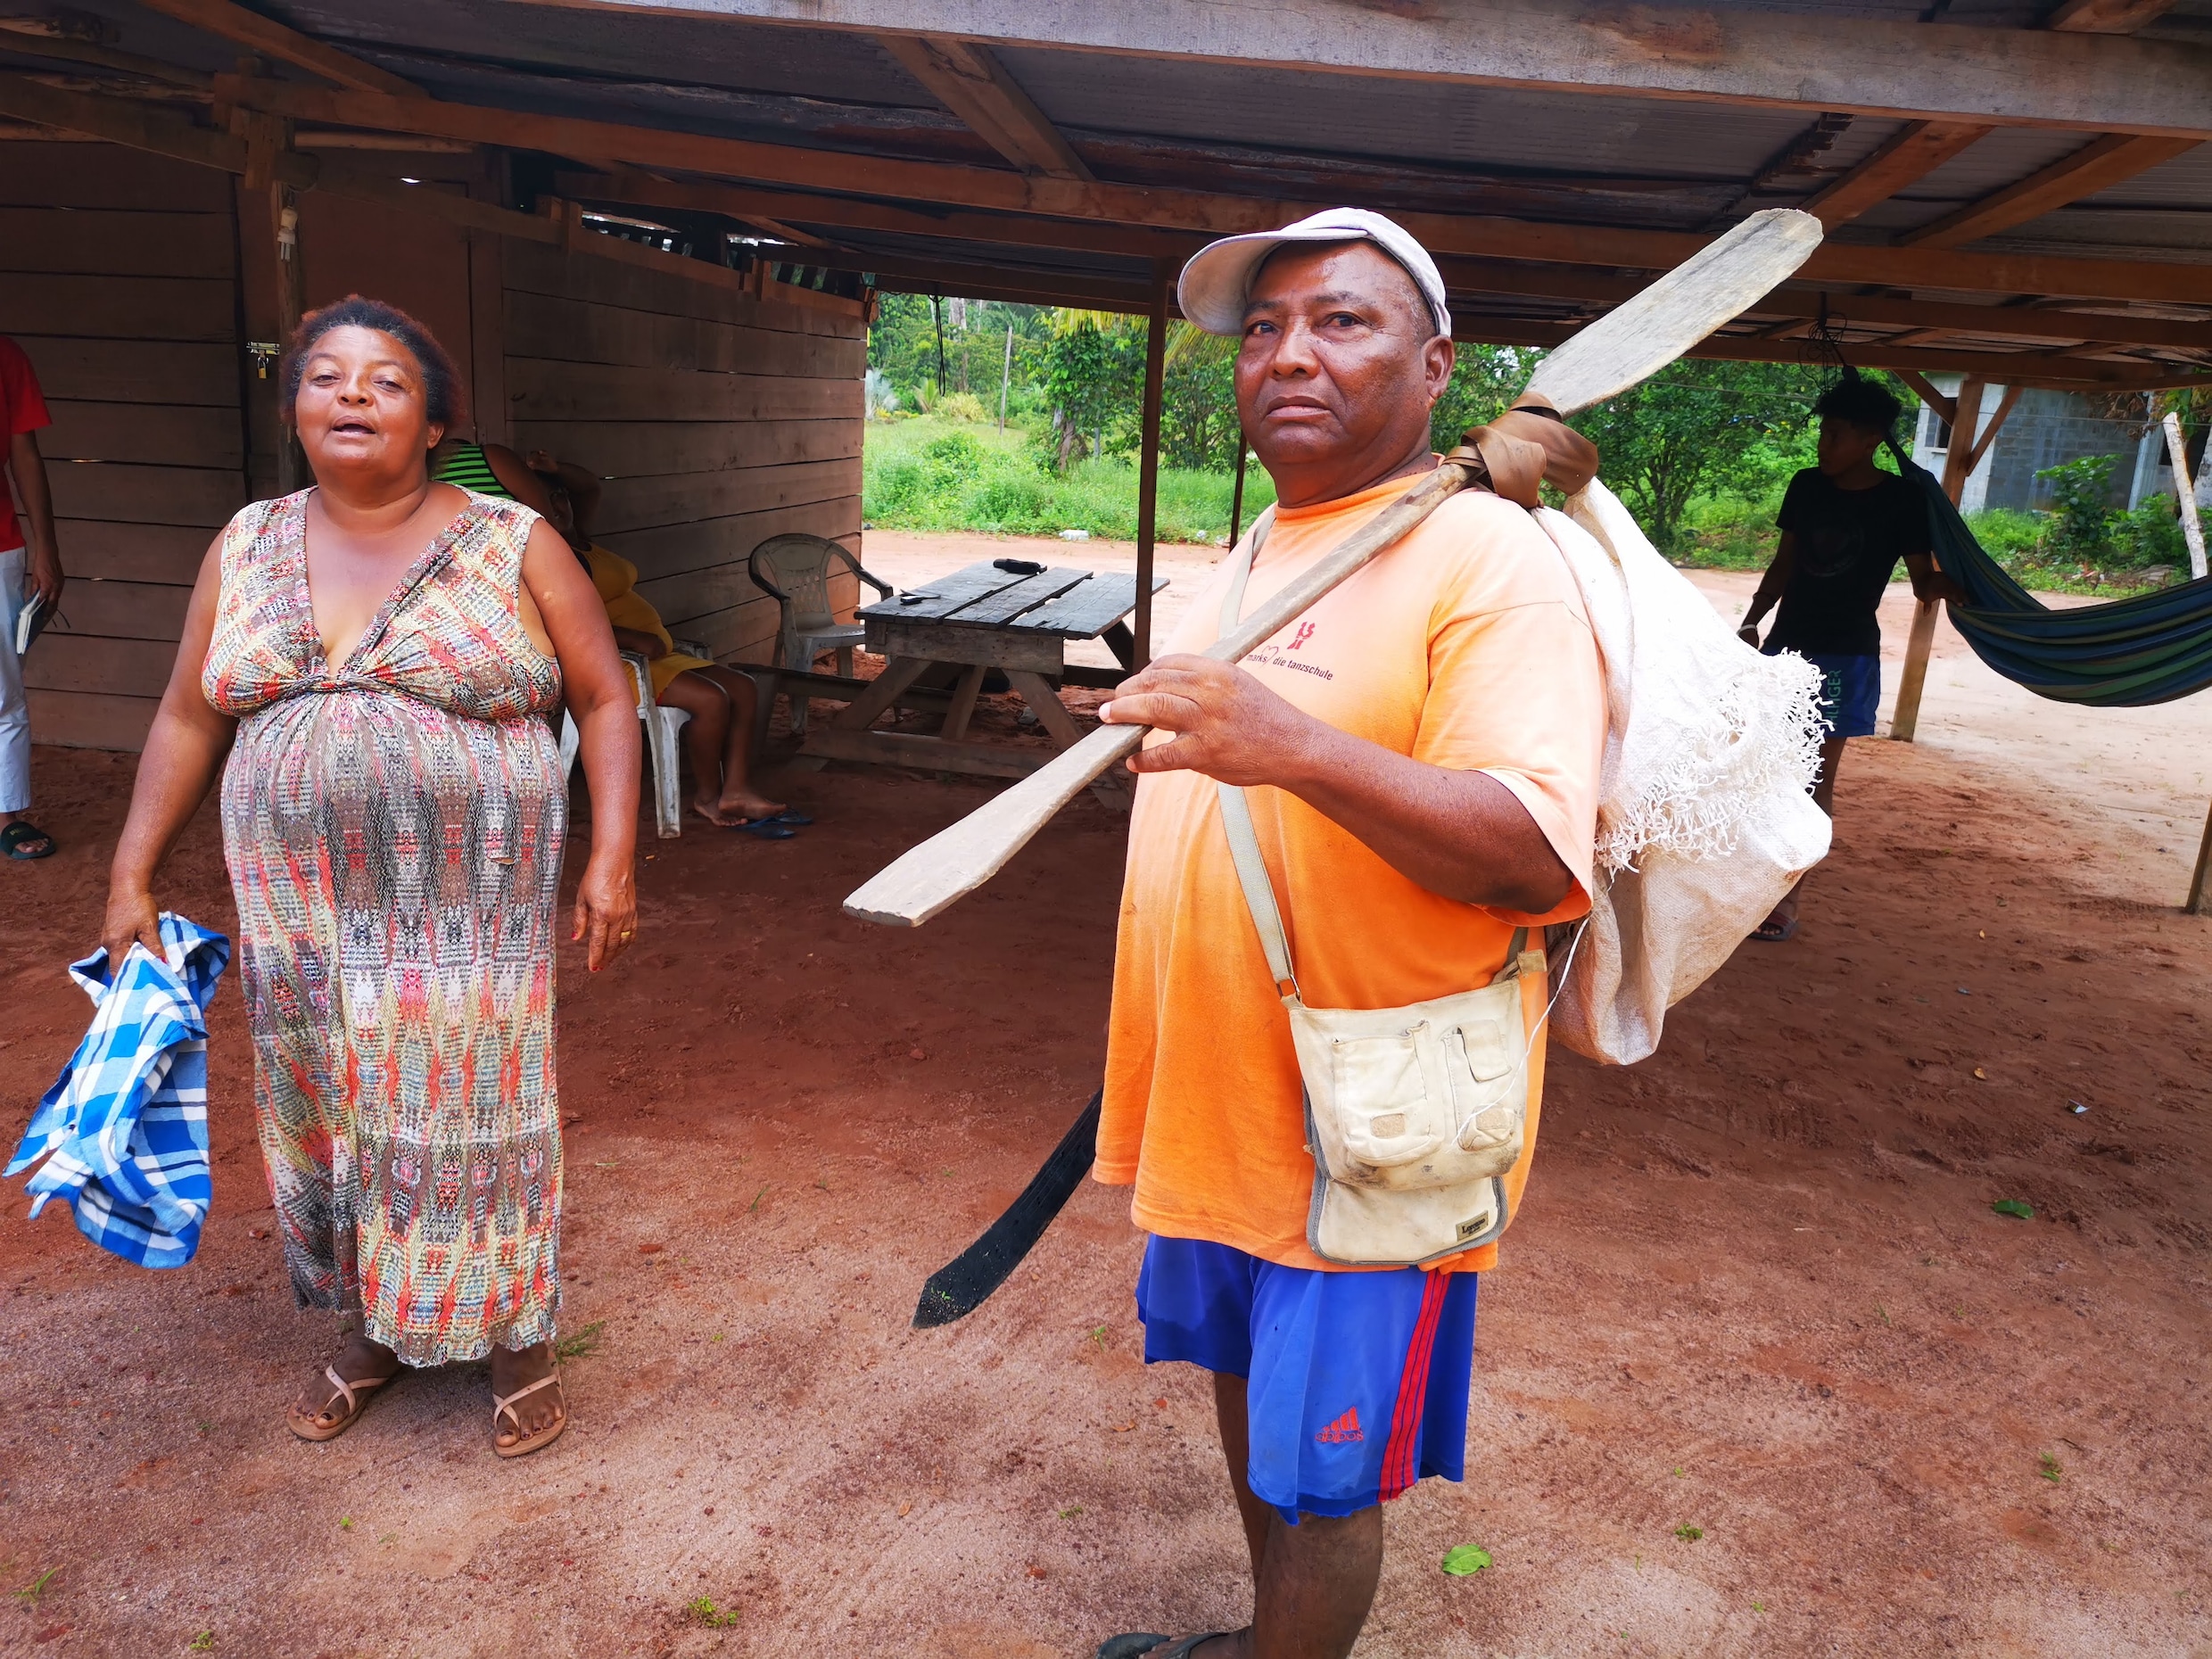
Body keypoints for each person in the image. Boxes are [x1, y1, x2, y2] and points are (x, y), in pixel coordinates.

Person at [1089, 209, 1605, 1659]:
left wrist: (1285, 742)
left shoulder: (1485, 560)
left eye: (1341, 321)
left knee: (1323, 1476)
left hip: (1366, 1118)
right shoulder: (1264, 544)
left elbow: (1534, 852)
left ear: (1435, 364)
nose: (1287, 353)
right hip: (1220, 1100)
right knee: (1256, 1415)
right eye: (1262, 329)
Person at [99, 295, 641, 1457]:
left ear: (436, 417)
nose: (352, 394)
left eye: (386, 381)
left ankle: (518, 1337)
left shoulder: (511, 539)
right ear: (294, 404)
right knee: (330, 1098)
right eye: (327, 376)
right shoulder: (245, 543)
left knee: (470, 1102)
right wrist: (128, 873)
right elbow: (186, 718)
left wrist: (612, 857)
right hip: (297, 902)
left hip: (462, 898)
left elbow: (605, 695)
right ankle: (378, 1327)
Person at [1736, 376, 1966, 942]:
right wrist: (1751, 620)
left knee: (1815, 778)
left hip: (1846, 656)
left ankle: (1787, 900)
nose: (1823, 444)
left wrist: (1971, 586)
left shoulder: (1901, 499)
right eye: (1823, 433)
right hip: (1787, 647)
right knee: (1769, 770)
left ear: (1869, 440)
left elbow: (1922, 582)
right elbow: (1784, 564)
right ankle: (1755, 885)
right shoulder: (1807, 486)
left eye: (1835, 435)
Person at [529, 457, 797, 834]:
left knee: (743, 687)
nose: (560, 507)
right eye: (548, 501)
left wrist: (552, 466)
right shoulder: (554, 556)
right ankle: (707, 796)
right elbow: (554, 622)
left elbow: (591, 486)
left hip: (657, 657)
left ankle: (736, 788)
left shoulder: (583, 541)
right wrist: (629, 637)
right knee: (711, 699)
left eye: (561, 497)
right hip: (617, 663)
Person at [0, 334, 62, 861]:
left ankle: (7, 815)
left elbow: (24, 452)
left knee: (2, 689)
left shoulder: (6, 356)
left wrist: (47, 547)